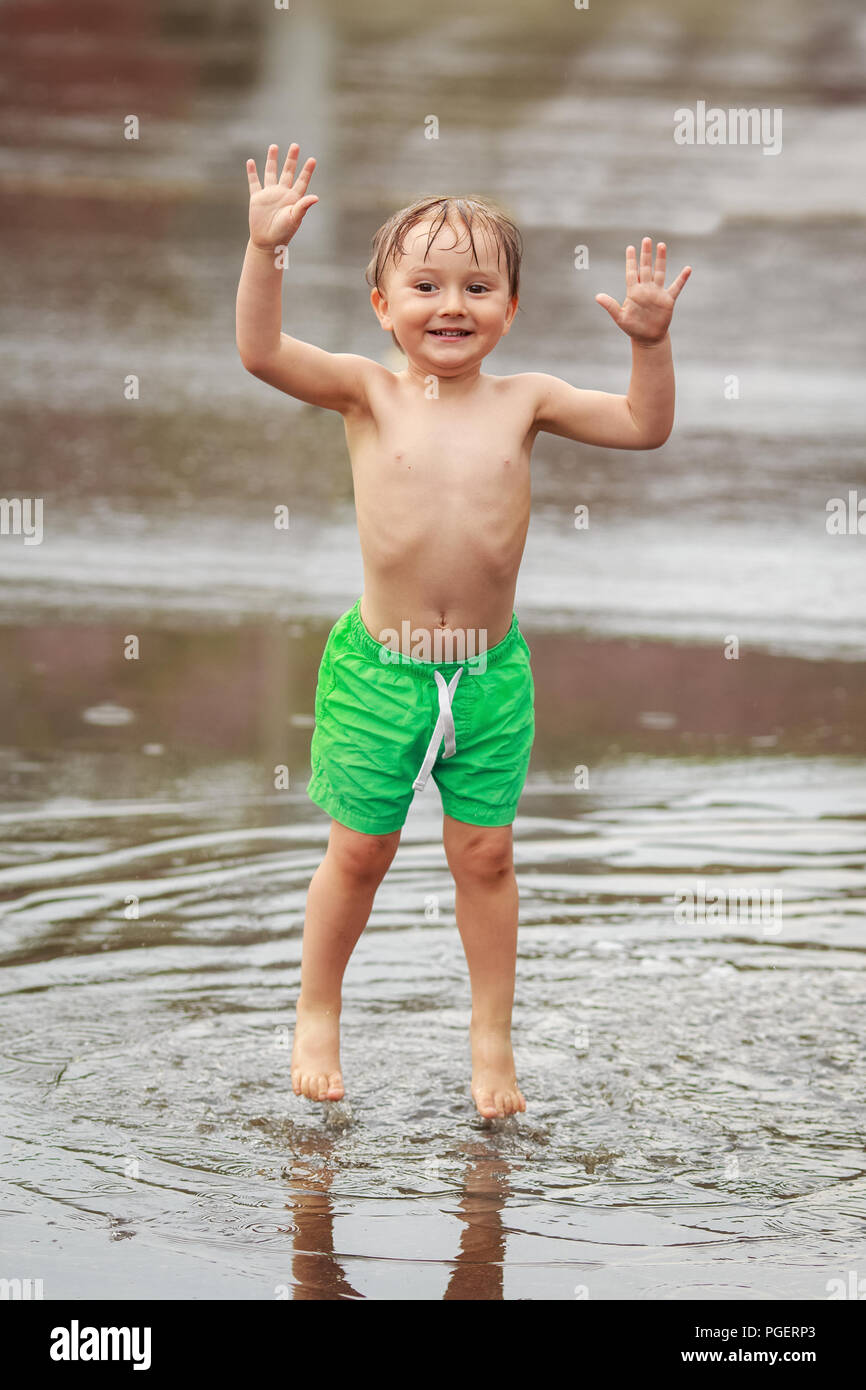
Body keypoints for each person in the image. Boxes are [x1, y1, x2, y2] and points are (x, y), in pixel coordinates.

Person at [236, 142, 691, 1120]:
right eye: (426, 286)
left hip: (488, 677)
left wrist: (649, 345)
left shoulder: (526, 402)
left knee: (485, 855)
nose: (452, 305)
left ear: (510, 310)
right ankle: (317, 1011)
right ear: (381, 305)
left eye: (477, 287)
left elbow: (641, 426)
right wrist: (265, 250)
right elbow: (262, 352)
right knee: (359, 851)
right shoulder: (366, 391)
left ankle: (490, 1038)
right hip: (381, 672)